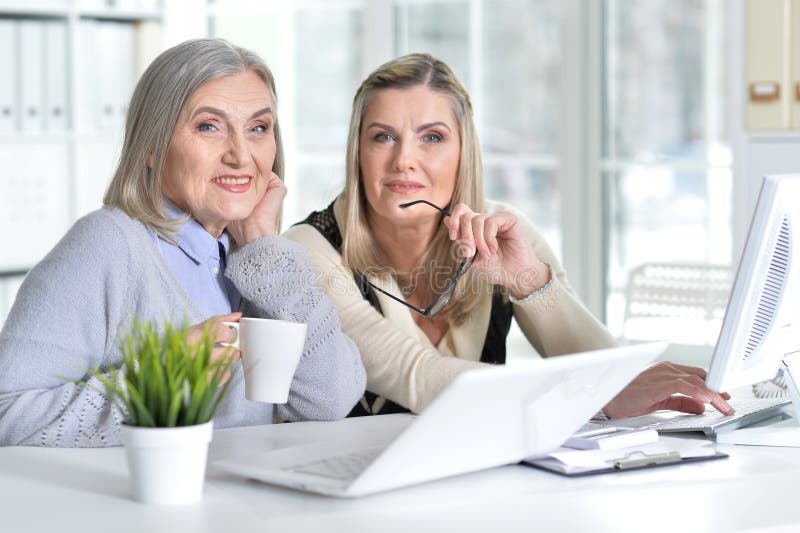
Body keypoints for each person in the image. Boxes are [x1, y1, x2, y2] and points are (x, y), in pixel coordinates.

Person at [283, 53, 733, 419]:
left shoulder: (505, 230)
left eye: (432, 138)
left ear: (464, 151)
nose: (404, 160)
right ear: (358, 151)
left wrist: (531, 284)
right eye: (383, 137)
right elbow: (414, 374)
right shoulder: (309, 250)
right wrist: (596, 393)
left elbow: (603, 369)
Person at [0, 38, 366, 447]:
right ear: (153, 147)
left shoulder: (257, 259)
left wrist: (264, 246)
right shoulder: (107, 245)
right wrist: (165, 376)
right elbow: (7, 416)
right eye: (209, 126)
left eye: (258, 128)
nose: (242, 156)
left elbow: (330, 400)